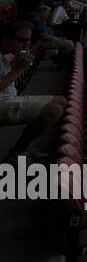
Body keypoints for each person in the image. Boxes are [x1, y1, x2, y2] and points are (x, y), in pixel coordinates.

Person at [0, 19, 67, 162]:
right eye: (22, 40)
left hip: (10, 98)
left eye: (28, 40)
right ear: (5, 38)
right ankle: (17, 151)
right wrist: (19, 68)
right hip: (2, 102)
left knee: (61, 101)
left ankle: (25, 145)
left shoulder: (9, 51)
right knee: (53, 111)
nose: (26, 45)